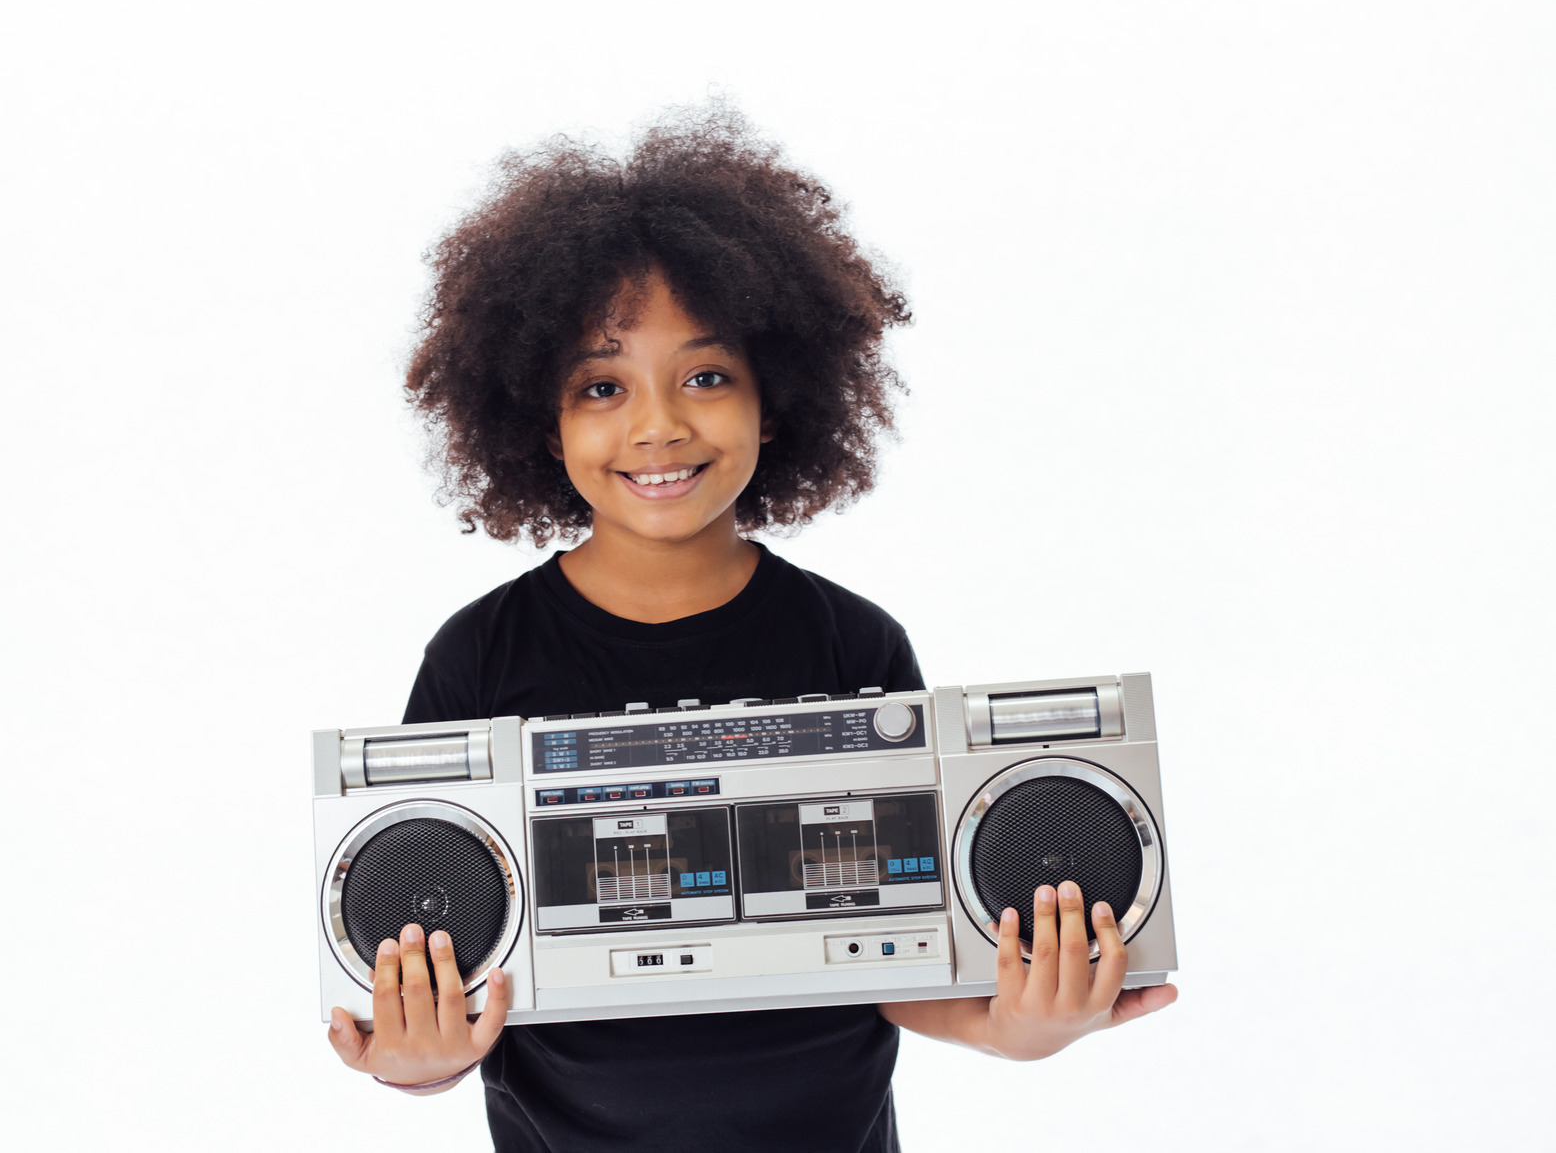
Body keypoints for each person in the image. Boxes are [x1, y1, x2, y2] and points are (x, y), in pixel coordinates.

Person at [326, 105, 1179, 1151]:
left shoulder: (851, 645)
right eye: (601, 385)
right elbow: (443, 996)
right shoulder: (476, 659)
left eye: (706, 376)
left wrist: (1021, 1025)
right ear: (534, 417)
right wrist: (418, 1061)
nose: (658, 426)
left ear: (774, 399)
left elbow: (903, 965)